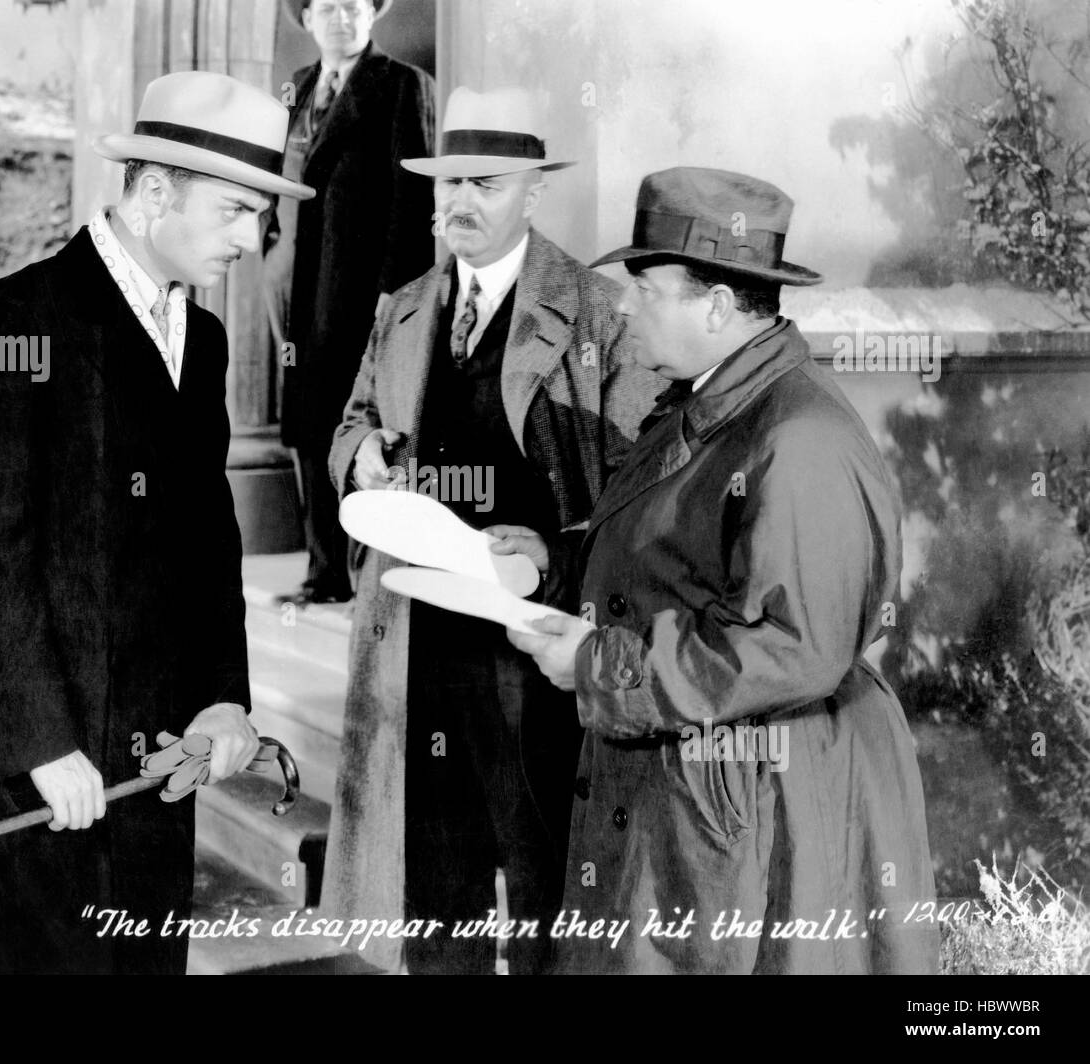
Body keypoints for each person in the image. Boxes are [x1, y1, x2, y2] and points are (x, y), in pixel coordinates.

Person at [0, 72, 314, 974]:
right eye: (237, 212)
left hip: (152, 772)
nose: (253, 242)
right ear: (157, 191)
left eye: (263, 218)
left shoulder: (201, 340)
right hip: (31, 777)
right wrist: (41, 743)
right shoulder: (8, 320)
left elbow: (208, 542)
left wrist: (222, 695)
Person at [508, 167, 939, 974]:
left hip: (756, 804)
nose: (625, 306)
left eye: (645, 288)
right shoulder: (710, 404)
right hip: (702, 790)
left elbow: (795, 646)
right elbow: (676, 561)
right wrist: (553, 564)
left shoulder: (798, 437)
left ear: (716, 304)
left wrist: (599, 667)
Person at [321, 86, 654, 974]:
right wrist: (357, 459)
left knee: (548, 886)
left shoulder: (599, 312)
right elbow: (351, 420)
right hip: (412, 639)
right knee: (433, 894)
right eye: (446, 183)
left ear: (533, 193)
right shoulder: (403, 305)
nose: (458, 203)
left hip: (531, 652)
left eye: (485, 183)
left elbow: (639, 490)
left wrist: (552, 553)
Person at [267, 0, 436, 606]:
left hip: (359, 285)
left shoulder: (400, 85)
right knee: (307, 419)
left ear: (373, 15)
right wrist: (268, 248)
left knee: (358, 417)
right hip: (296, 283)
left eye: (353, 6)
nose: (340, 18)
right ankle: (323, 572)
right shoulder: (300, 89)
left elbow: (413, 197)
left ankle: (366, 575)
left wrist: (396, 295)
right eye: (326, 7)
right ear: (307, 19)